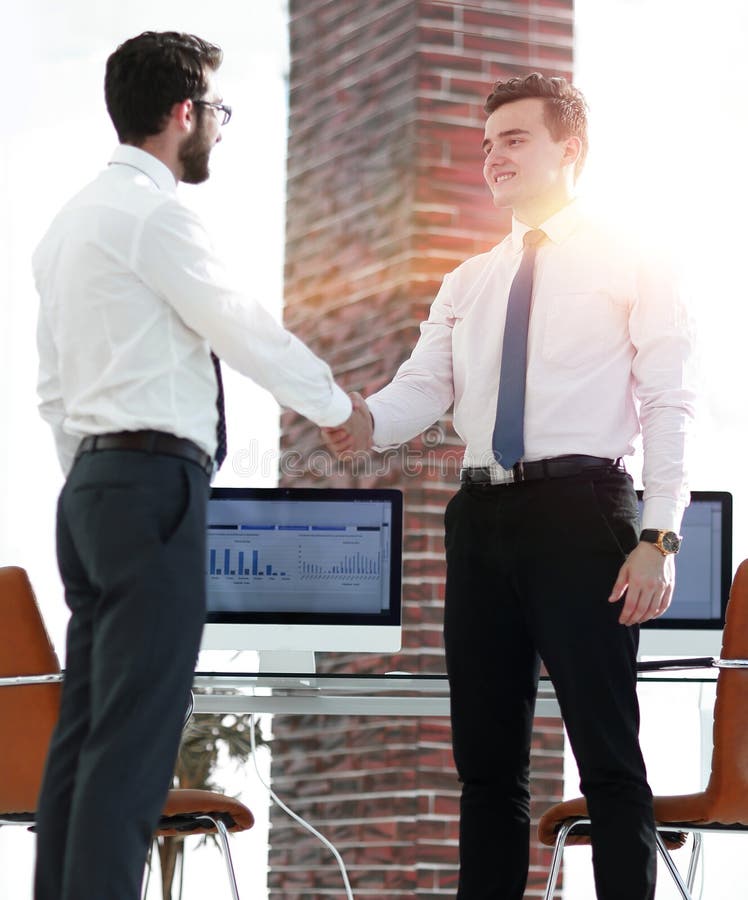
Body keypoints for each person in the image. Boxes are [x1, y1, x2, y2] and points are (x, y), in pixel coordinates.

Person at [322, 73, 695, 899]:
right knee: (486, 766)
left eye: (515, 140)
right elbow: (421, 389)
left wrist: (658, 536)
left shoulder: (634, 255)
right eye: (487, 145)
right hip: (481, 519)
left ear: (571, 150)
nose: (494, 159)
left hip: (583, 515)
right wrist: (360, 420)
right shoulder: (467, 281)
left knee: (607, 756)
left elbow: (670, 402)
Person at [32, 30, 357, 900]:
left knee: (87, 733)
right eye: (213, 108)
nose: (215, 125)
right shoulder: (158, 216)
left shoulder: (66, 227)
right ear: (183, 113)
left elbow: (53, 391)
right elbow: (241, 325)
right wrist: (338, 409)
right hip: (149, 486)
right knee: (135, 741)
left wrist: (95, 478)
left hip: (92, 492)